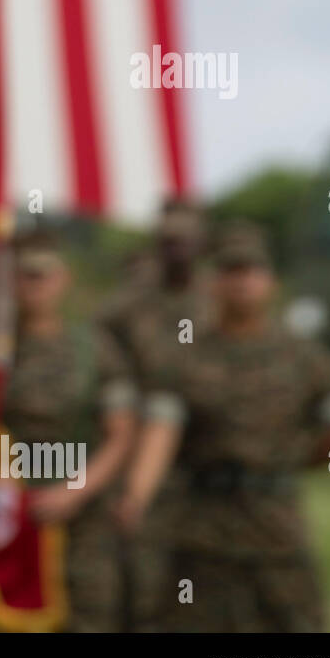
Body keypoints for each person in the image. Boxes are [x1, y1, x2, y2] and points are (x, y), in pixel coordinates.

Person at [119, 221, 330, 632]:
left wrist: (291, 462)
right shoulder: (187, 356)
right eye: (231, 270)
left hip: (276, 528)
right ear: (214, 282)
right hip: (202, 530)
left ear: (271, 282)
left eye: (252, 270)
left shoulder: (305, 358)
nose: (242, 281)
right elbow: (162, 430)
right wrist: (136, 496)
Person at [0, 230, 135, 631]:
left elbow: (121, 434)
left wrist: (74, 490)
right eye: (25, 275)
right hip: (7, 513)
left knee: (86, 618)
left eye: (43, 275)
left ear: (64, 279)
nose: (33, 284)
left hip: (83, 515)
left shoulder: (95, 348)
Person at [99, 198, 211, 631]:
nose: (177, 248)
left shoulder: (220, 302)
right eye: (168, 240)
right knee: (142, 592)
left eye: (185, 239)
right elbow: (101, 375)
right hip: (142, 467)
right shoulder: (125, 309)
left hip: (211, 473)